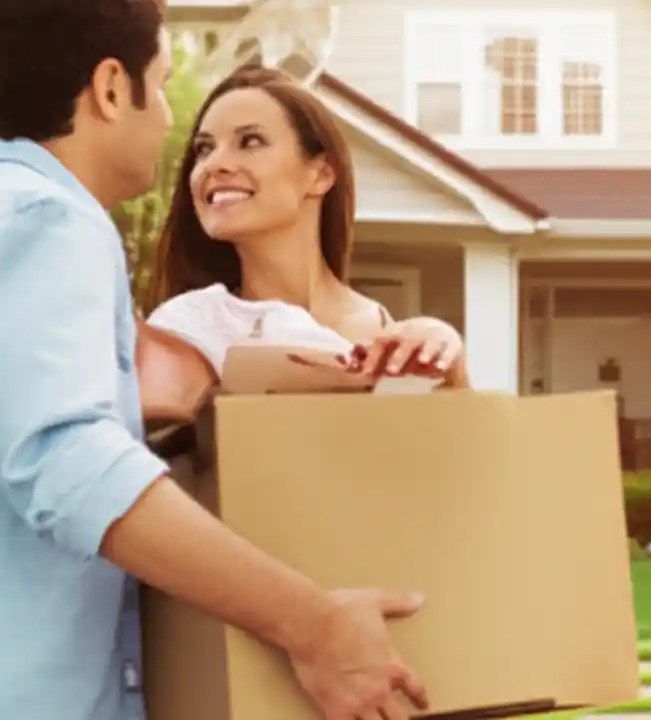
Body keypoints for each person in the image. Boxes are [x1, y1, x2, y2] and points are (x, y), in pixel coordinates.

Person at [0, 3, 429, 719]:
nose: (169, 120)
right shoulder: (47, 219)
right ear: (111, 90)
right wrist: (315, 626)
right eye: (164, 86)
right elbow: (69, 462)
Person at [140, 65, 468, 421]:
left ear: (321, 174)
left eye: (250, 141)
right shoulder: (187, 328)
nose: (214, 164)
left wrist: (454, 371)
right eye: (204, 149)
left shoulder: (390, 336)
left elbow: (453, 463)